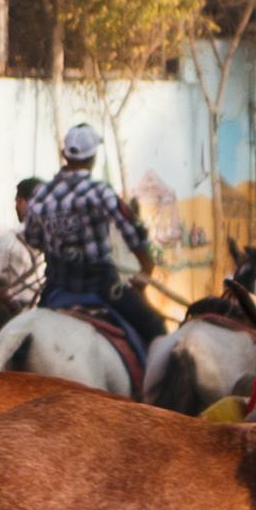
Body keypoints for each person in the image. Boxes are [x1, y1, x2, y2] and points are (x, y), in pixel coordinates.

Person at [20, 118, 162, 344]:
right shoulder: (99, 192)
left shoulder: (41, 195)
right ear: (93, 157)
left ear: (64, 154)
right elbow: (133, 230)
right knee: (155, 328)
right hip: (102, 287)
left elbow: (32, 237)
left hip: (56, 288)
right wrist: (146, 267)